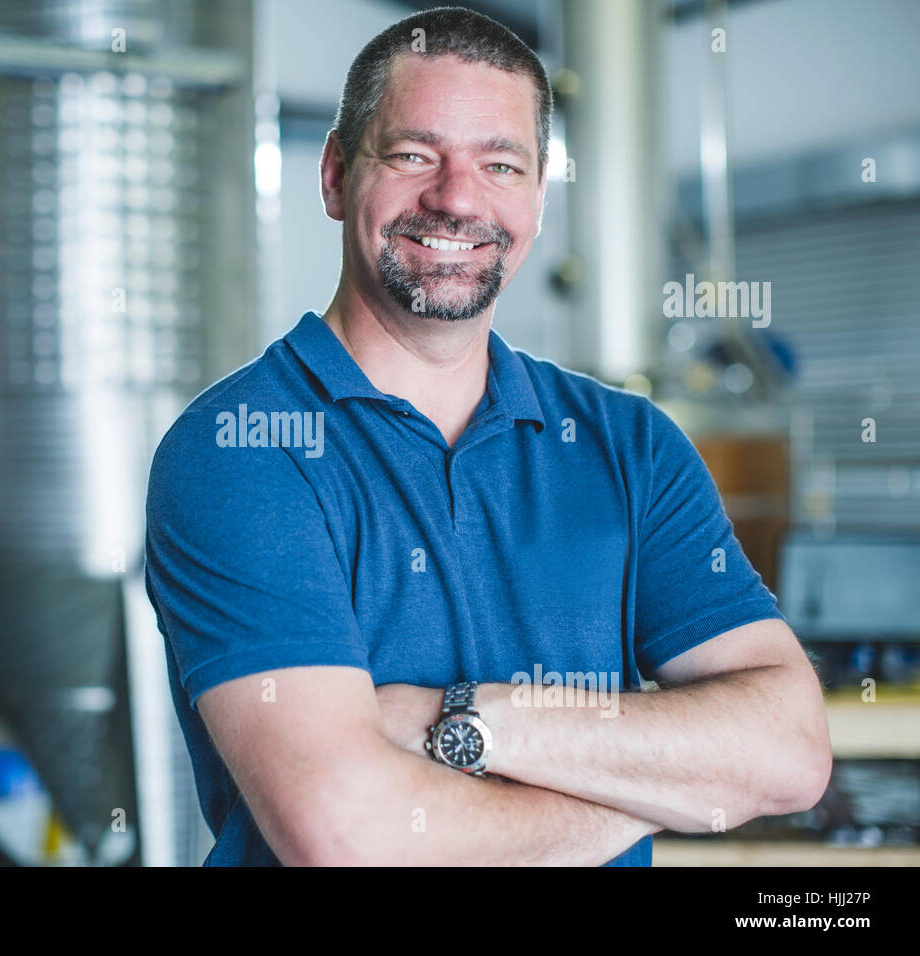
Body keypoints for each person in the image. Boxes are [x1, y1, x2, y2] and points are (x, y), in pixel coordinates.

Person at [144, 5, 830, 866]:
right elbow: (346, 835)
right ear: (333, 176)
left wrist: (467, 719)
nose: (456, 197)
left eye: (499, 163)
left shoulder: (631, 445)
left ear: (538, 201)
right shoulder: (240, 450)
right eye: (413, 154)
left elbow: (792, 753)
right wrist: (652, 794)